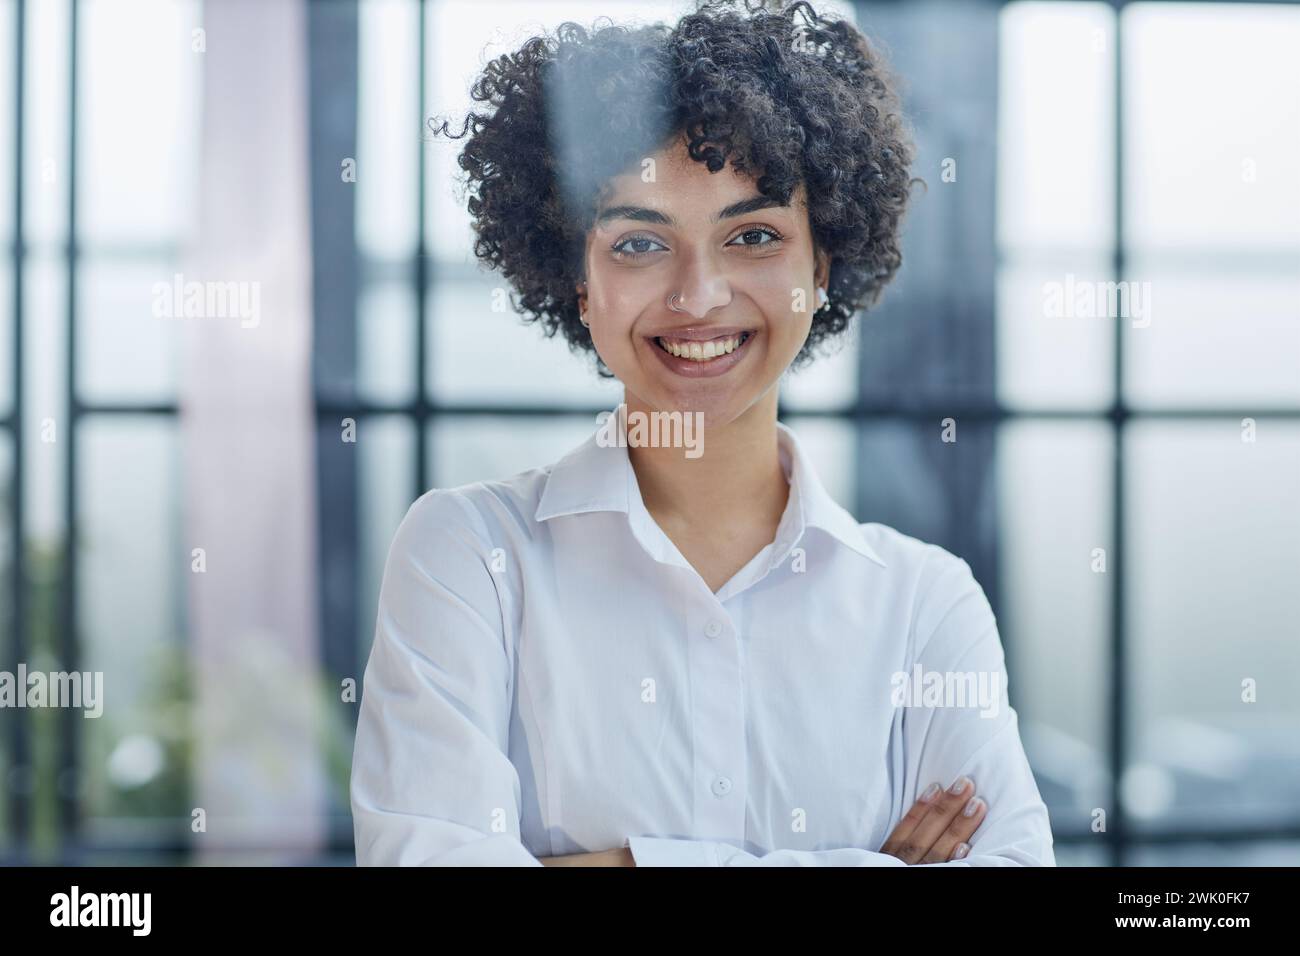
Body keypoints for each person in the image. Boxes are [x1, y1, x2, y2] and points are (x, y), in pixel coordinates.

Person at [350, 0, 1055, 866]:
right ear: (577, 280)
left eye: (753, 235)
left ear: (820, 265)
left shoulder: (923, 604)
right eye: (640, 244)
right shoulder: (469, 556)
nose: (698, 297)